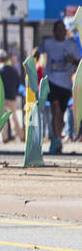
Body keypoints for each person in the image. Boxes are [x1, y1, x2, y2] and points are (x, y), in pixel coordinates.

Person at [34, 20, 80, 154]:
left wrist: (74, 61)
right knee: (55, 108)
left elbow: (80, 62)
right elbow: (37, 51)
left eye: (63, 29)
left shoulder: (71, 45)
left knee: (61, 112)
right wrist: (34, 59)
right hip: (51, 81)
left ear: (66, 31)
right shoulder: (48, 43)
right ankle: (57, 139)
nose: (61, 32)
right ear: (54, 31)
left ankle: (57, 136)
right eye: (58, 29)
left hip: (65, 84)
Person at [0, 49, 23, 144]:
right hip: (12, 96)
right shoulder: (13, 70)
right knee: (14, 117)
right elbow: (18, 83)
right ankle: (19, 136)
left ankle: (3, 137)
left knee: (2, 118)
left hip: (1, 97)